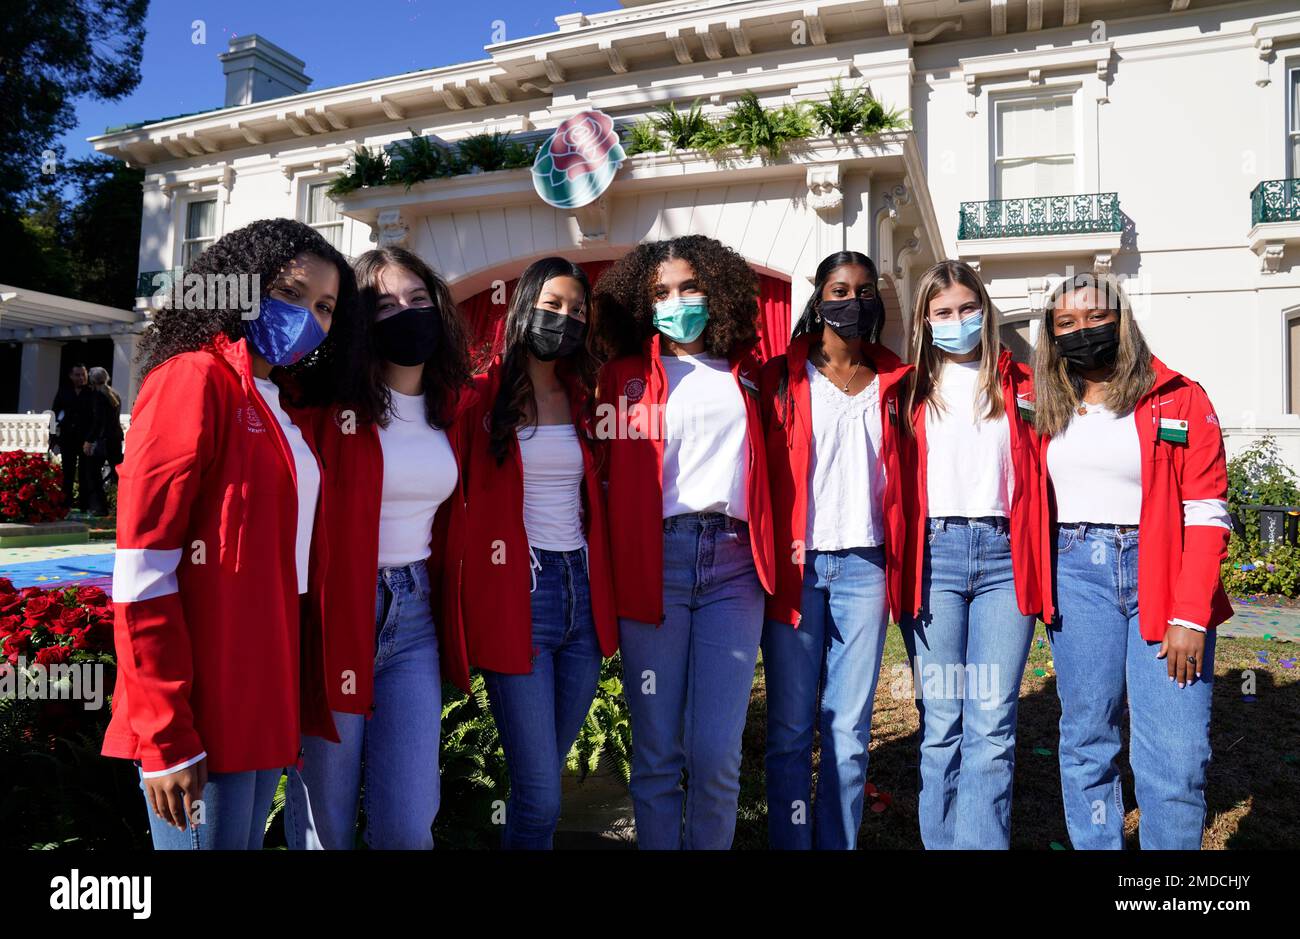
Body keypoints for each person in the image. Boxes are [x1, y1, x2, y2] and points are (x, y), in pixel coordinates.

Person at [101, 218, 363, 849]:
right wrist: (166, 734)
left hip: (263, 691)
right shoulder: (194, 378)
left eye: (325, 307)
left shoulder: (282, 400)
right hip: (198, 708)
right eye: (292, 294)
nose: (310, 317)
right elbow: (143, 572)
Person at [1035, 271, 1232, 850]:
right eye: (1066, 323)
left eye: (1096, 317)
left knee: (1175, 752)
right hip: (1076, 574)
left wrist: (1191, 615)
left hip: (1163, 576)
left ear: (1122, 320)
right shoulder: (1045, 402)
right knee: (1087, 739)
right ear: (1051, 335)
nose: (1083, 330)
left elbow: (1206, 510)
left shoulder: (1178, 395)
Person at [284, 246, 472, 850]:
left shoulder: (454, 408)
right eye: (385, 304)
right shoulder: (324, 409)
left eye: (418, 299)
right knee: (325, 823)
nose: (406, 312)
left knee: (408, 820)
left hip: (414, 616)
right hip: (337, 610)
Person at [594, 235, 775, 850]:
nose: (677, 302)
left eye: (689, 287)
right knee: (656, 755)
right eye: (661, 293)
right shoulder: (620, 380)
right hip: (655, 564)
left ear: (715, 291)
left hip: (733, 566)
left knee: (717, 754)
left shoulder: (749, 375)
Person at [457, 257, 618, 849]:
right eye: (552, 306)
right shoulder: (477, 401)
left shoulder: (587, 398)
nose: (565, 318)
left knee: (539, 788)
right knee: (542, 795)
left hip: (581, 594)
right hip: (521, 599)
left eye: (576, 310)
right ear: (524, 306)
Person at [759, 250, 913, 850]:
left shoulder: (897, 379)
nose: (852, 300)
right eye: (839, 289)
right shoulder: (781, 376)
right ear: (819, 298)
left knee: (848, 731)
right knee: (792, 730)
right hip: (799, 567)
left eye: (864, 290)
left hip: (867, 567)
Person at [898, 259, 1041, 850]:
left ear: (985, 310)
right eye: (943, 313)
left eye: (968, 309)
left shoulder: (1022, 383)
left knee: (992, 724)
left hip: (1006, 558)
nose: (958, 321)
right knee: (941, 725)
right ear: (925, 321)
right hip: (935, 558)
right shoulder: (904, 390)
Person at [51, 363, 94, 510]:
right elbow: (54, 412)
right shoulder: (64, 391)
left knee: (85, 472)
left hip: (85, 438)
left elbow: (96, 417)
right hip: (67, 437)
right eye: (77, 375)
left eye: (83, 374)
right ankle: (66, 504)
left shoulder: (92, 391)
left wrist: (91, 439)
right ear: (71, 376)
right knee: (67, 472)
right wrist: (53, 436)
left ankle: (84, 505)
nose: (81, 378)